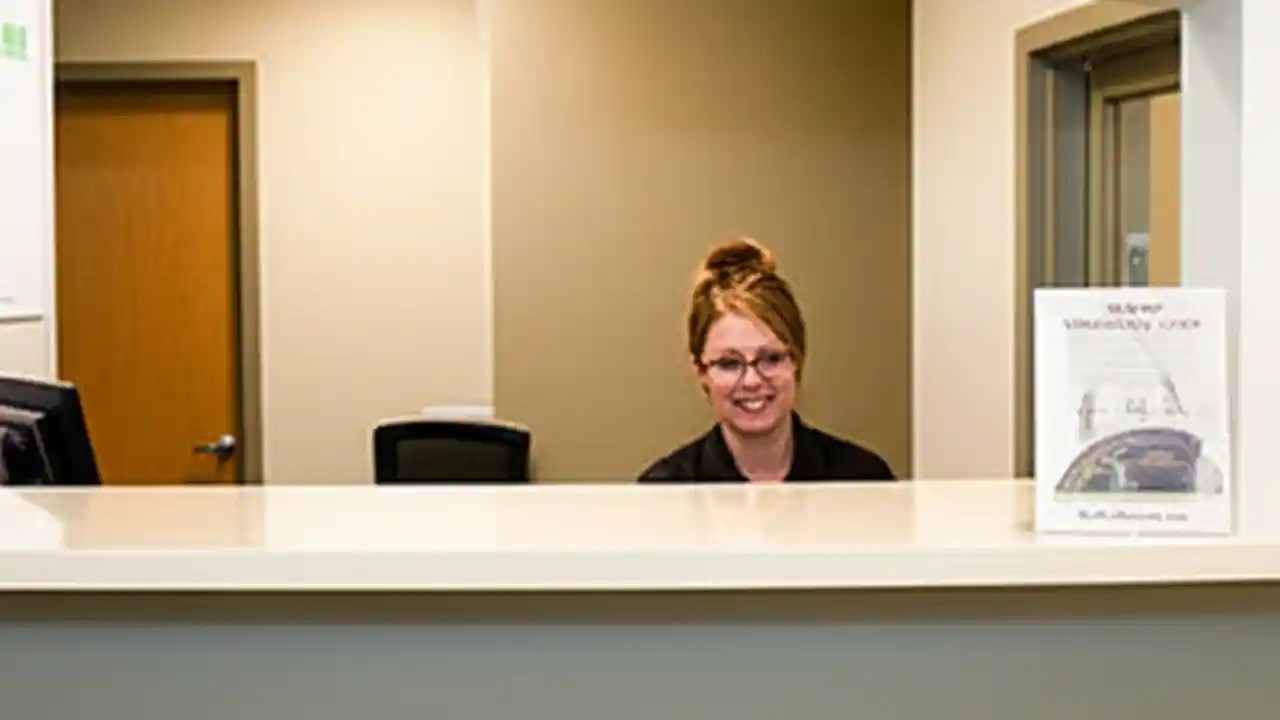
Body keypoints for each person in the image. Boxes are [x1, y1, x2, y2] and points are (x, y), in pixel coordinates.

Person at [638, 237, 895, 484]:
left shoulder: (862, 478)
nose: (751, 381)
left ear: (796, 359)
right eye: (730, 363)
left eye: (770, 359)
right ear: (701, 371)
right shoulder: (664, 491)